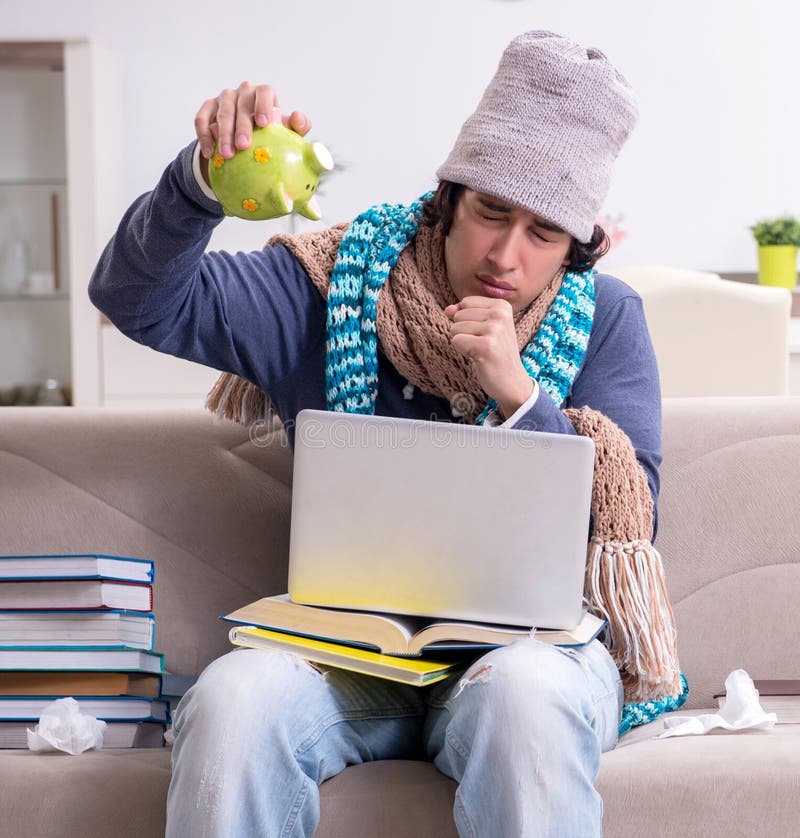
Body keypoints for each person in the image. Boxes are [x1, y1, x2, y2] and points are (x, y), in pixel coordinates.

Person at [89, 30, 684, 838]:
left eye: (543, 234)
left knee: (526, 700)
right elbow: (137, 300)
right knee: (233, 700)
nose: (506, 255)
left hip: (529, 660)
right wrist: (196, 186)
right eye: (491, 212)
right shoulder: (329, 283)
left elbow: (629, 520)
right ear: (450, 195)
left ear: (580, 249)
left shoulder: (610, 320)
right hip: (347, 658)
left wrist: (520, 395)